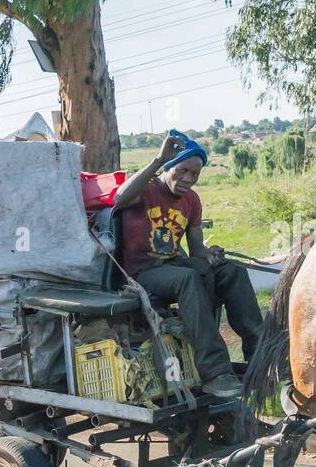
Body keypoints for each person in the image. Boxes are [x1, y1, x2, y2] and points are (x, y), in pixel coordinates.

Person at [112, 132, 263, 399]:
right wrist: (158, 159)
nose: (188, 179)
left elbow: (196, 251)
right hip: (142, 272)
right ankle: (215, 373)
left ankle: (260, 354)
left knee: (233, 271)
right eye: (182, 170)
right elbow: (119, 198)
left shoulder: (191, 200)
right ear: (169, 166)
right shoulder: (146, 189)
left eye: (194, 174)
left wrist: (210, 255)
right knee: (188, 279)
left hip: (173, 264)